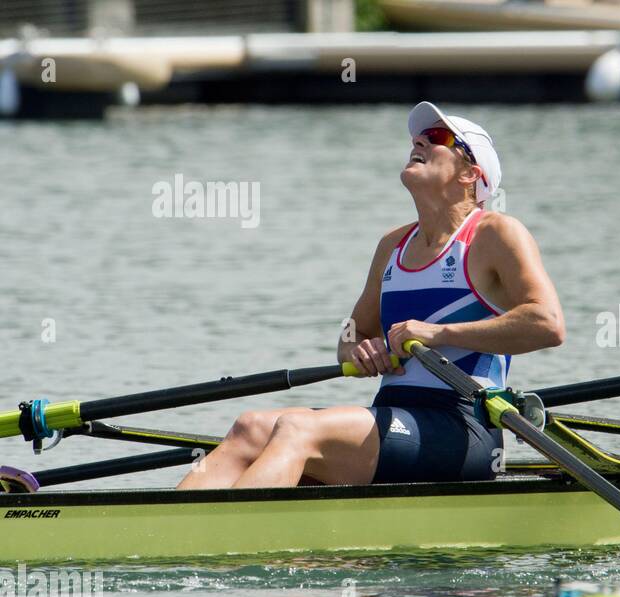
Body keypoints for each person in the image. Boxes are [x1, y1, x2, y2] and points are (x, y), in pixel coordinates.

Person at [178, 102, 564, 489]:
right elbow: (352, 333)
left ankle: (234, 541)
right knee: (249, 427)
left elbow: (546, 323)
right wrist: (357, 351)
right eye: (418, 137)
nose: (420, 141)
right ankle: (175, 537)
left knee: (296, 428)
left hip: (464, 426)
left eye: (439, 138)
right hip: (394, 420)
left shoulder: (495, 234)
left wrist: (440, 334)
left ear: (470, 173)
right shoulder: (392, 245)